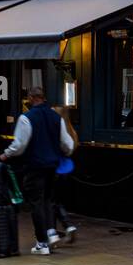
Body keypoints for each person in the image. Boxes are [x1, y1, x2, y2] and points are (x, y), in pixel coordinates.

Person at [0, 87, 74, 255]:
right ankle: (51, 233)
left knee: (36, 203)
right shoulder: (56, 117)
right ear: (44, 98)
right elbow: (67, 144)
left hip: (34, 166)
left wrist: (5, 154)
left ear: (31, 98)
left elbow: (19, 145)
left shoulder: (26, 118)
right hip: (53, 166)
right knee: (48, 200)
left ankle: (42, 243)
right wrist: (63, 154)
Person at [52, 100, 79, 241]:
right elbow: (70, 148)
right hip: (67, 168)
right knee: (58, 201)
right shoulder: (70, 130)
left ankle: (57, 230)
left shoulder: (56, 128)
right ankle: (66, 227)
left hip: (55, 168)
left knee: (51, 201)